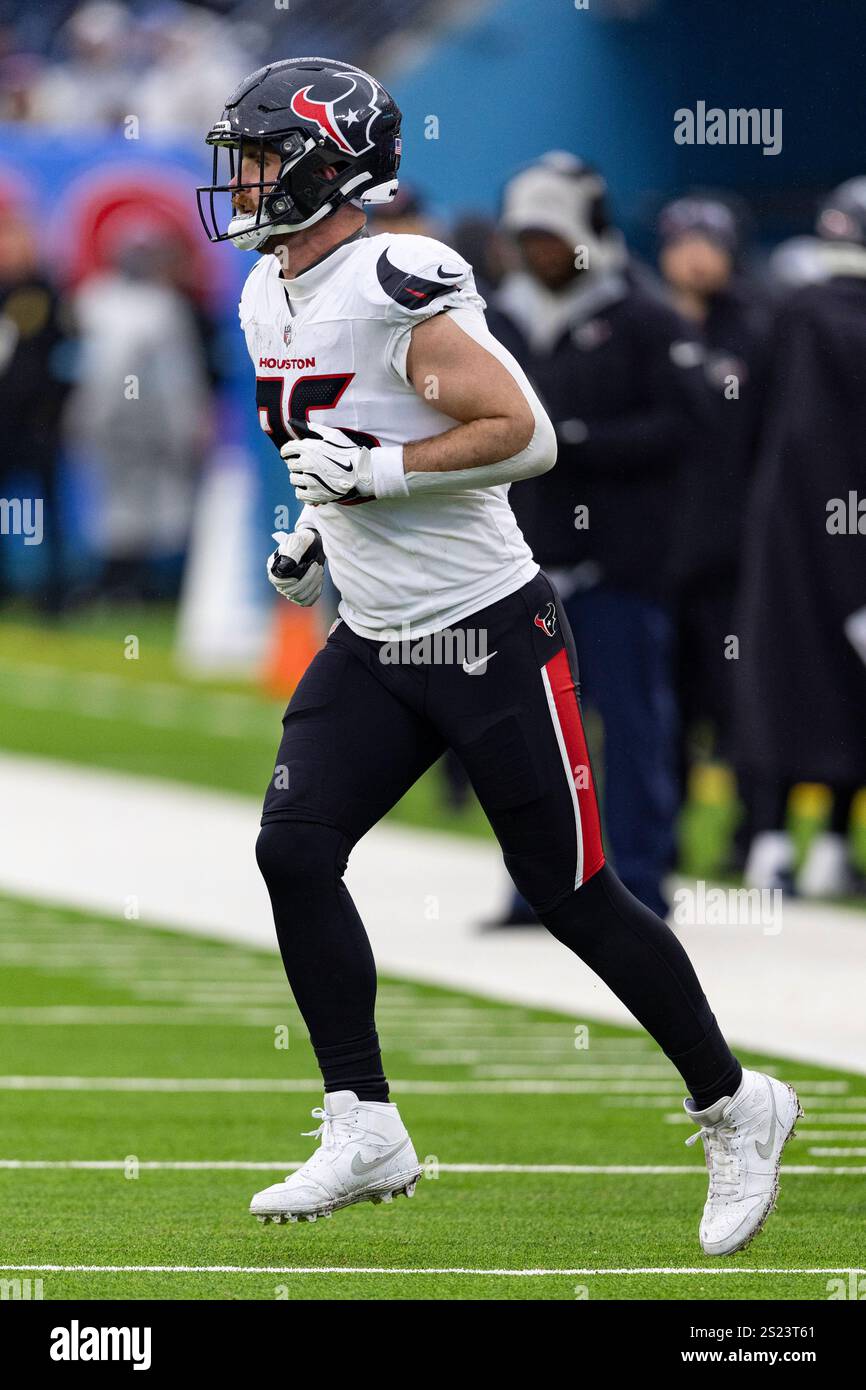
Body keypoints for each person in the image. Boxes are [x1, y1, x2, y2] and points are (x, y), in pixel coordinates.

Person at [197, 55, 801, 1255]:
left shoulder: (392, 277)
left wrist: (376, 477)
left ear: (329, 165)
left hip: (482, 627)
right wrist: (321, 524)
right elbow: (344, 430)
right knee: (293, 848)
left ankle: (736, 1103)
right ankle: (362, 1118)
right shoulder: (267, 292)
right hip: (373, 633)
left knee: (573, 894)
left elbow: (516, 434)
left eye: (263, 157)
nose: (245, 180)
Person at [489, 155, 708, 919]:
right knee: (530, 737)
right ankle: (538, 888)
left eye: (553, 237)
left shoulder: (643, 313)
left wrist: (574, 441)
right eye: (528, 239)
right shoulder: (498, 315)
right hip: (526, 561)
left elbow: (688, 426)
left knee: (634, 725)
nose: (540, 254)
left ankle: (639, 884)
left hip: (623, 558)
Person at [734, 178, 866, 898]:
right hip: (853, 541)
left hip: (781, 537)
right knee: (846, 690)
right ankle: (833, 845)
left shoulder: (790, 312)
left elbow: (747, 423)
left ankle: (772, 844)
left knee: (777, 684)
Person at [656, 194, 773, 859]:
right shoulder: (644, 326)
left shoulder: (758, 331)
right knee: (661, 709)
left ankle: (752, 836)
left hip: (734, 560)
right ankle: (658, 839)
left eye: (711, 243)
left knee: (740, 701)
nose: (697, 257)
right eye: (685, 241)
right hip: (660, 556)